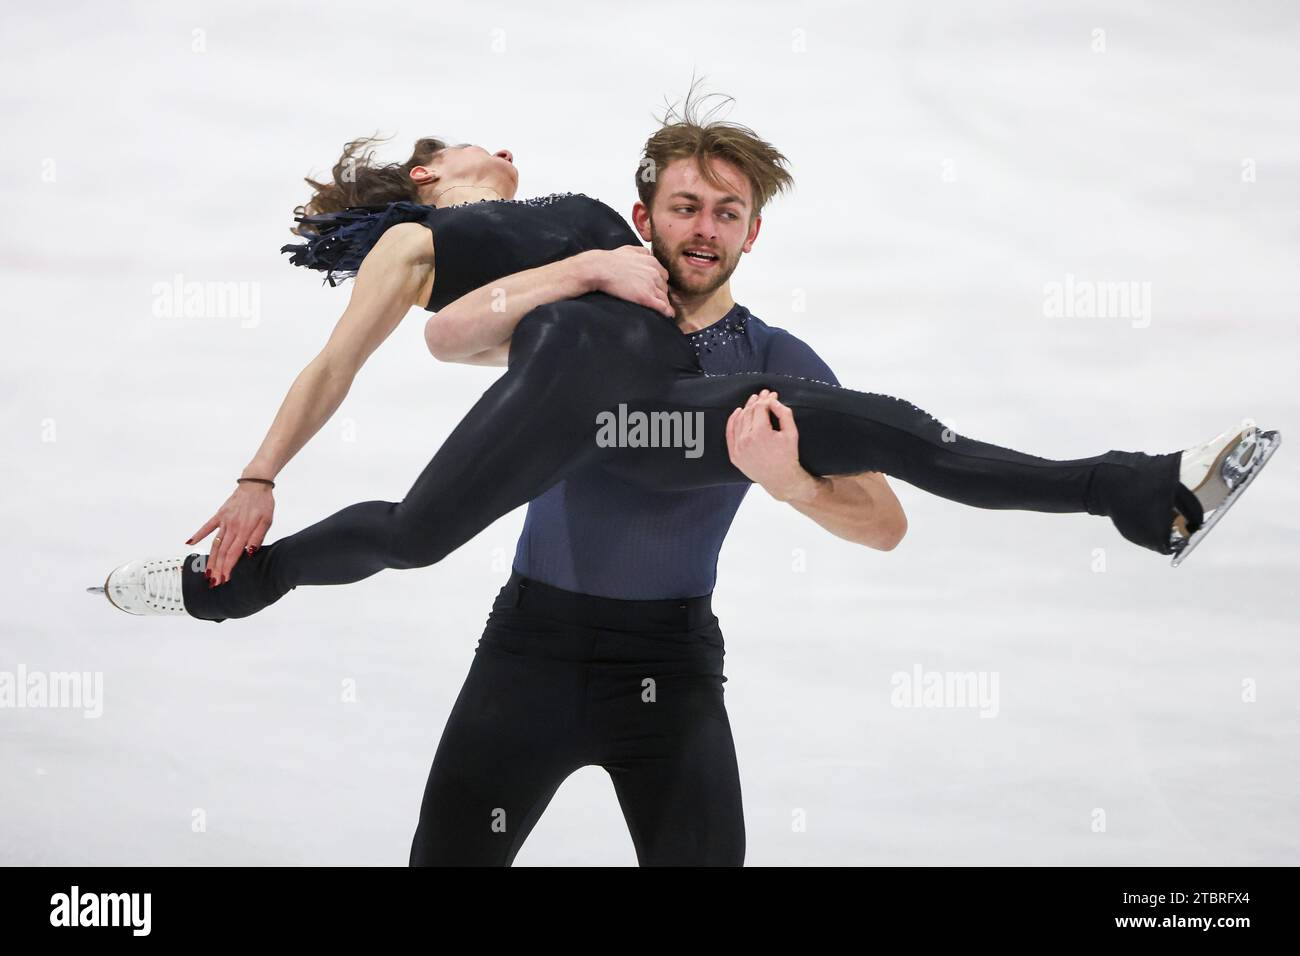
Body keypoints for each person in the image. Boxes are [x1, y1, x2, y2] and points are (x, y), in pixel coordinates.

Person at [92, 98, 1278, 623]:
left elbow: (470, 331)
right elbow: (387, 354)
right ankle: (219, 588)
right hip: (570, 406)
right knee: (411, 534)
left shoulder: (573, 213)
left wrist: (791, 470)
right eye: (467, 146)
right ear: (425, 176)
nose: (496, 147)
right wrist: (258, 476)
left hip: (660, 418)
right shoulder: (423, 235)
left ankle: (1139, 492)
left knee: (893, 428)